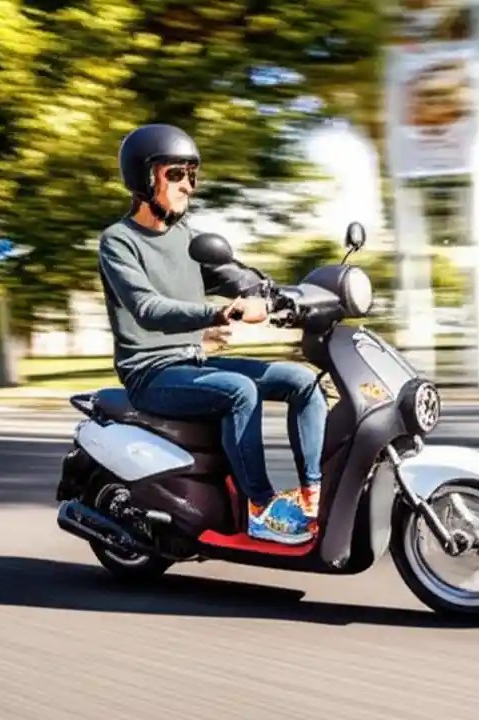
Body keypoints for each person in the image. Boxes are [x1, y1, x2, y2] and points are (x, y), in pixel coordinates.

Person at [96, 123, 326, 546]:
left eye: (192, 175)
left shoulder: (187, 237)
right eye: (176, 174)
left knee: (303, 381)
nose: (188, 186)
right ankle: (261, 509)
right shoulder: (118, 242)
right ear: (145, 178)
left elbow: (232, 274)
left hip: (191, 362)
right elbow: (147, 308)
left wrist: (287, 295)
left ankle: (314, 493)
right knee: (240, 391)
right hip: (151, 374)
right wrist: (222, 312)